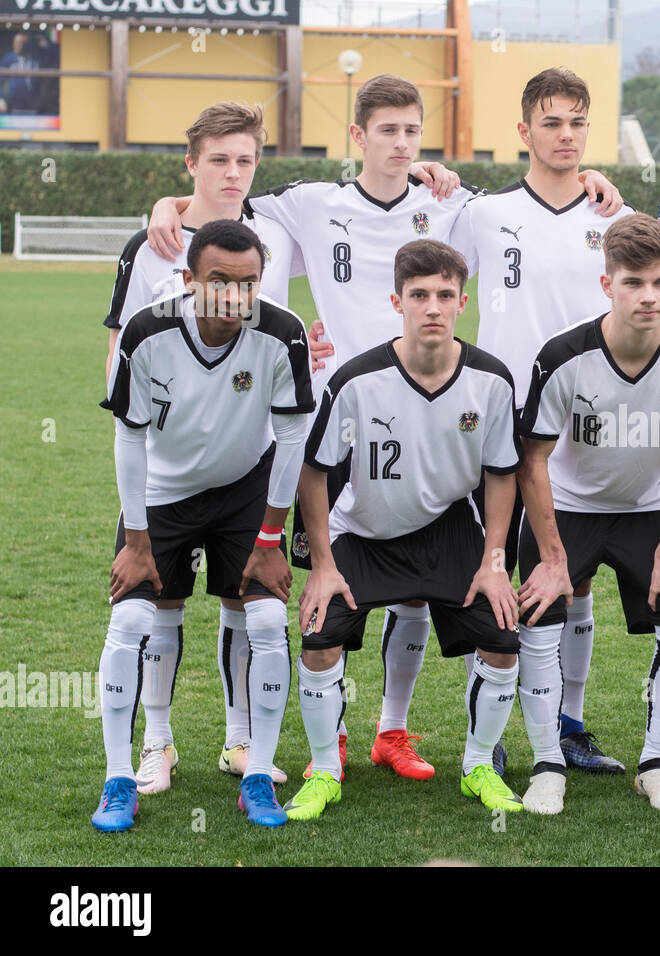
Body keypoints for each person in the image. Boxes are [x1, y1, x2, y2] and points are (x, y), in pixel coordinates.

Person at [147, 75, 622, 783]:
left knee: (421, 579)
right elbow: (230, 201)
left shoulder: (452, 205)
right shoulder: (311, 204)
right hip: (340, 424)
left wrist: (590, 178)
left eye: (412, 131)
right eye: (388, 131)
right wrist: (168, 203)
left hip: (440, 422)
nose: (402, 144)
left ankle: (391, 730)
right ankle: (326, 736)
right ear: (358, 137)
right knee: (327, 583)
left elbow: (538, 210)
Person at [100, 102, 304, 794]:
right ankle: (156, 743)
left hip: (247, 462)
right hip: (166, 462)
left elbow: (361, 229)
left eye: (246, 159)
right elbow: (120, 353)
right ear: (191, 164)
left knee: (247, 600)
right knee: (157, 604)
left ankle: (241, 741)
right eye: (219, 159)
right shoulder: (151, 242)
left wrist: (433, 175)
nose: (234, 171)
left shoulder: (276, 231)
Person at [286, 239, 523, 820]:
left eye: (445, 295)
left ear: (463, 302)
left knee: (501, 639)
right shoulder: (356, 381)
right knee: (319, 638)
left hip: (447, 528)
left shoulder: (491, 381)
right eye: (420, 295)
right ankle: (324, 769)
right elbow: (312, 473)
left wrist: (495, 563)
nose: (433, 308)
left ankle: (478, 766)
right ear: (398, 300)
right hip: (361, 530)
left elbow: (501, 476)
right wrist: (321, 565)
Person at [447, 67, 635, 775]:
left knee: (572, 577)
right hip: (497, 420)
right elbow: (425, 268)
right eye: (551, 122)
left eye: (577, 121)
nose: (566, 134)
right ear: (523, 131)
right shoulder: (484, 213)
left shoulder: (613, 217)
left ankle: (570, 724)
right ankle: (488, 735)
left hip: (585, 423)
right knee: (490, 571)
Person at [516, 213, 660, 812]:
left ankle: (656, 765)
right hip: (571, 507)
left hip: (651, 509)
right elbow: (533, 460)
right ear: (608, 285)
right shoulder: (562, 356)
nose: (649, 296)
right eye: (634, 282)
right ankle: (547, 766)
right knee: (539, 618)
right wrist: (554, 558)